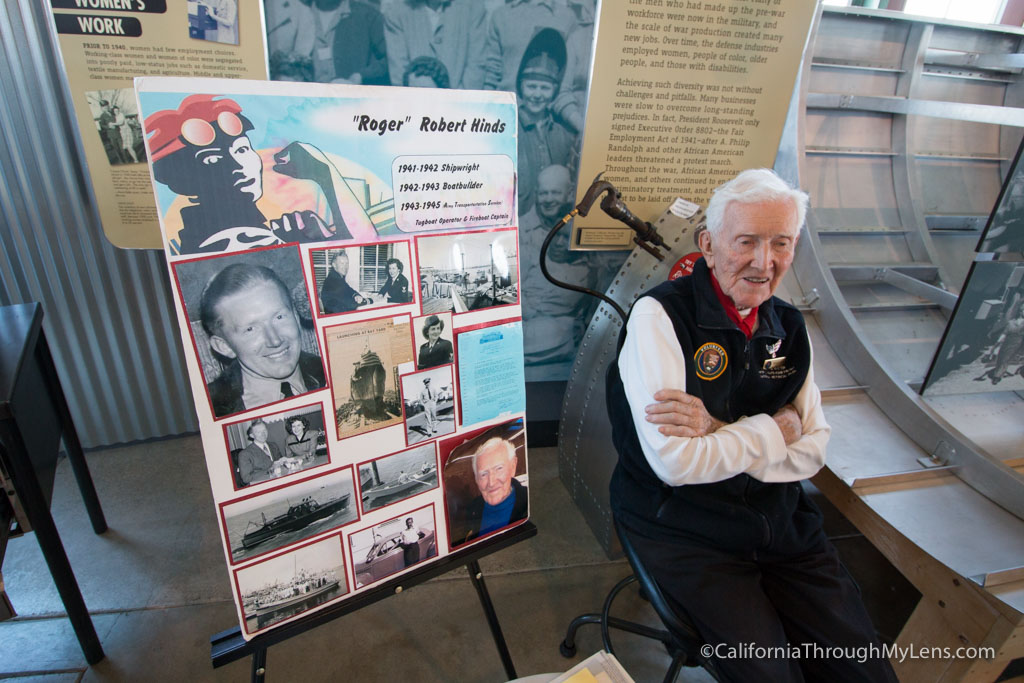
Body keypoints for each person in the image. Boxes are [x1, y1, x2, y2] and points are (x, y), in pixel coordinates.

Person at [606, 169, 896, 681]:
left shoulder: (788, 325)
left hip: (782, 527)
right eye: (747, 242)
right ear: (709, 246)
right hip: (687, 531)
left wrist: (718, 427)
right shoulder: (659, 319)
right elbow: (676, 464)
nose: (765, 263)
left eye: (781, 243)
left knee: (865, 671)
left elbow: (814, 452)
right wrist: (773, 430)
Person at [146, 94, 367, 254]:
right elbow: (365, 248)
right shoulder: (233, 242)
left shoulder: (256, 232)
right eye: (212, 159)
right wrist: (326, 175)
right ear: (182, 181)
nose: (236, 165)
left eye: (242, 149)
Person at [200, 263, 326, 418]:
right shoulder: (210, 409)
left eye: (279, 317)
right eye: (250, 329)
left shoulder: (334, 372)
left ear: (296, 317)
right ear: (225, 346)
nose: (274, 340)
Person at [519, 164, 595, 371]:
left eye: (555, 192)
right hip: (530, 326)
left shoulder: (584, 230)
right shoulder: (520, 230)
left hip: (564, 336)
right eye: (544, 193)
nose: (548, 198)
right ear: (536, 194)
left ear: (569, 193)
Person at [514, 29, 579, 215]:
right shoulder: (509, 129)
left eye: (544, 88)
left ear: (554, 91)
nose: (537, 94)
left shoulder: (563, 135)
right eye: (531, 86)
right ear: (521, 87)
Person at [383, 0, 486, 90]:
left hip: (462, 105)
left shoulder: (473, 8)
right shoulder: (395, 12)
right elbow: (400, 74)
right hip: (416, 103)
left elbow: (476, 69)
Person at [450, 436, 527, 547]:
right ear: (476, 479)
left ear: (513, 466)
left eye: (499, 468)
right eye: (483, 474)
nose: (491, 482)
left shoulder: (527, 504)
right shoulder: (472, 509)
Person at [237, 420, 283, 485]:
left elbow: (280, 463)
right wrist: (271, 469)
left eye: (264, 430)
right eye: (259, 432)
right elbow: (246, 478)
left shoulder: (273, 446)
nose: (263, 434)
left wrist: (284, 461)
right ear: (252, 435)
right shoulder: (245, 454)